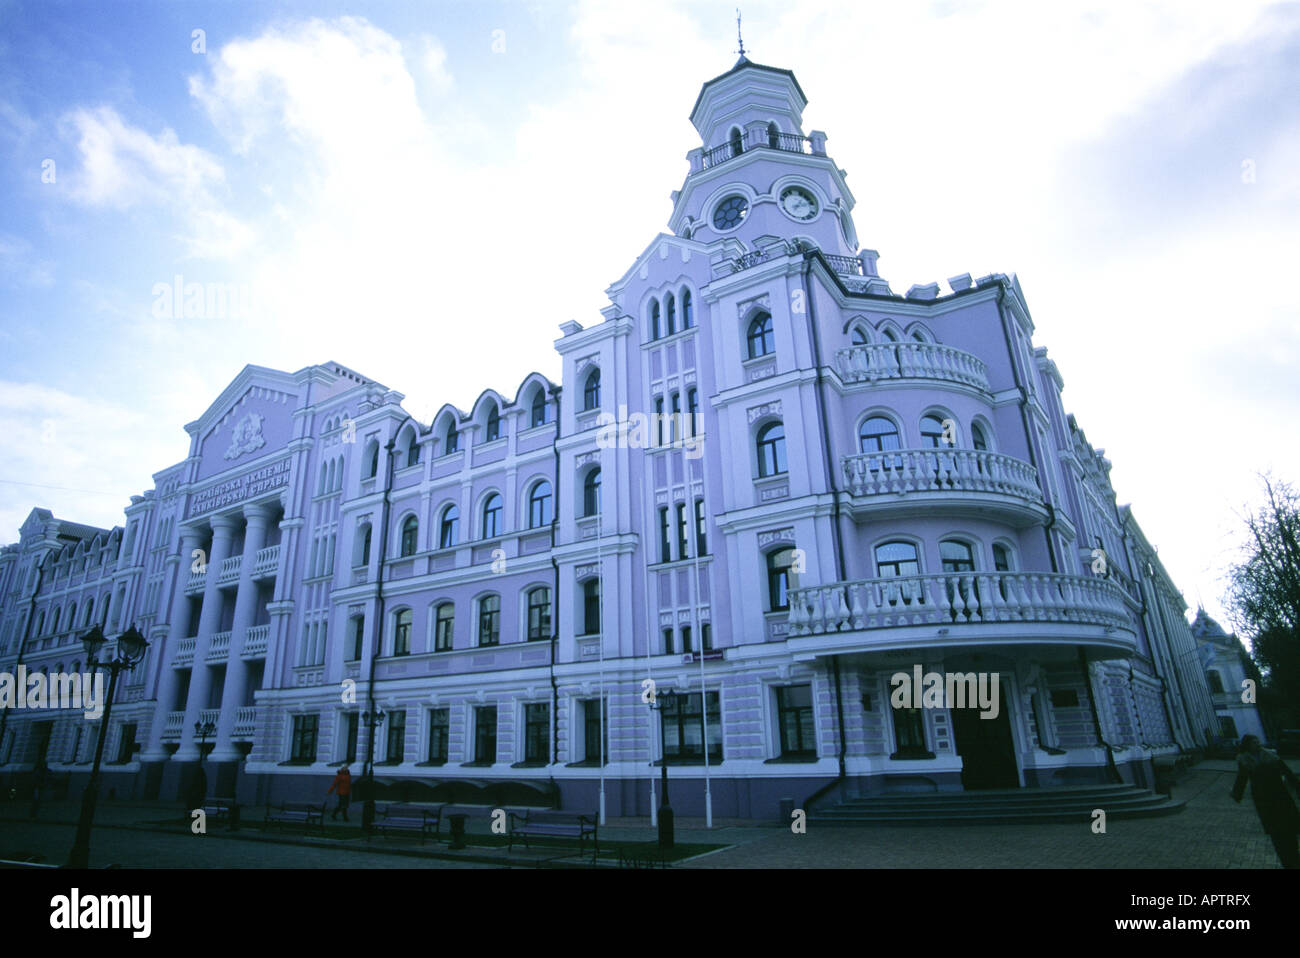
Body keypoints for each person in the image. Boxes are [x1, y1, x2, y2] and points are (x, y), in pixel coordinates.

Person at [1231, 734, 1300, 868]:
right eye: (1253, 742)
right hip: (1264, 799)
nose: (1257, 743)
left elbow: (1286, 771)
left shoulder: (1270, 756)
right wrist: (1237, 794)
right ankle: (1288, 861)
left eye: (1257, 741)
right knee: (1276, 832)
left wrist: (1297, 786)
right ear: (1247, 745)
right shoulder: (1245, 760)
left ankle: (1295, 857)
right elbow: (1242, 779)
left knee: (1290, 827)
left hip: (1280, 795)